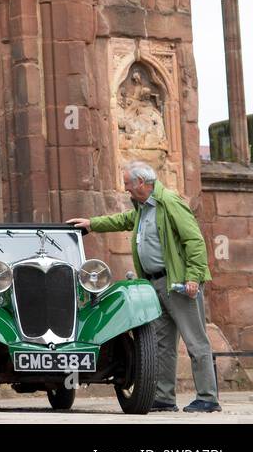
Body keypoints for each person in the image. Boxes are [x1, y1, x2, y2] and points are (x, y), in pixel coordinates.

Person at [67, 161, 219, 413]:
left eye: (127, 183)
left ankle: (208, 397)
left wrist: (193, 277)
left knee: (196, 341)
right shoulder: (142, 208)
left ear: (141, 183)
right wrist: (91, 224)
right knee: (162, 343)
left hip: (178, 283)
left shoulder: (169, 202)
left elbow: (194, 240)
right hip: (154, 283)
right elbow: (123, 220)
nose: (125, 188)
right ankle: (164, 397)